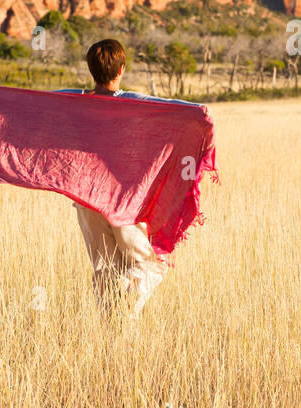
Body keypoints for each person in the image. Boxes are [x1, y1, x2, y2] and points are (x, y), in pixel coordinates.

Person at [56, 39, 201, 316]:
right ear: (121, 69)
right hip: (121, 200)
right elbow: (173, 106)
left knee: (104, 269)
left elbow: (41, 99)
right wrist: (200, 111)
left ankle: (115, 331)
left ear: (91, 70)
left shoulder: (75, 102)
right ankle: (126, 300)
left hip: (86, 200)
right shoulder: (133, 102)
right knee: (148, 265)